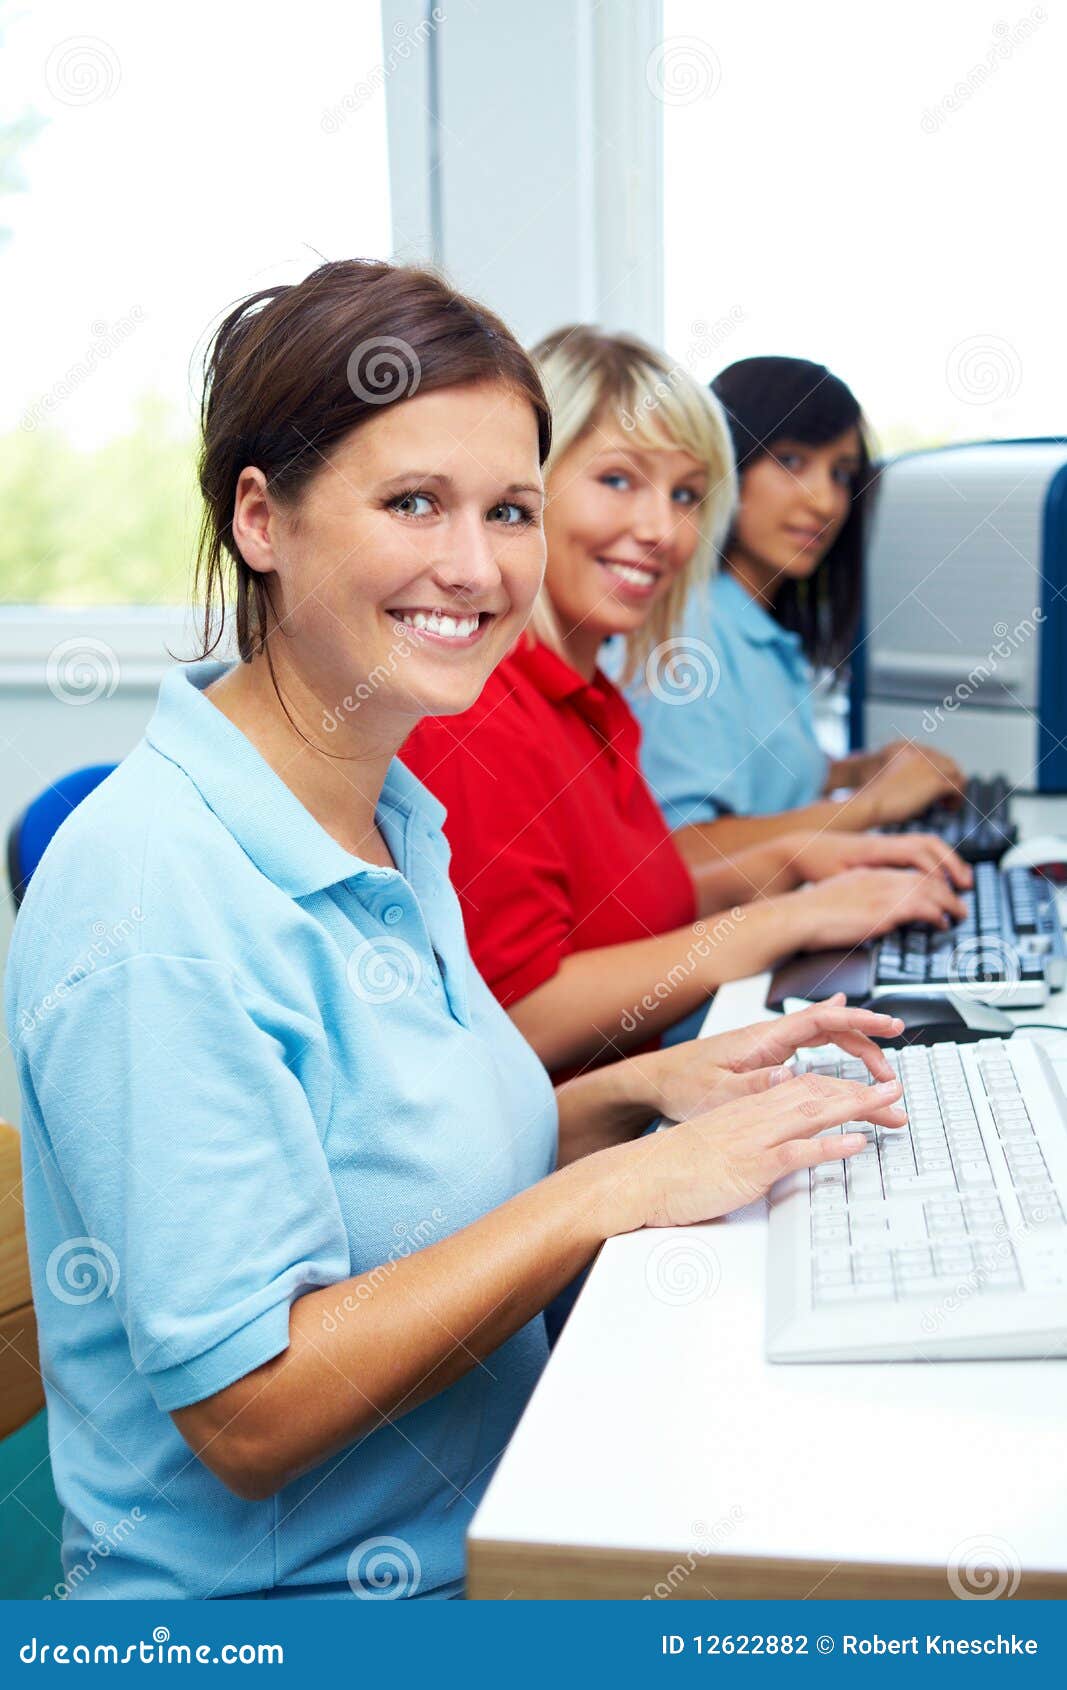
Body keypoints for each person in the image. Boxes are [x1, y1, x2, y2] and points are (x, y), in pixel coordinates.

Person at [4, 262, 910, 1600]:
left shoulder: (389, 812)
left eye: (508, 511)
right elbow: (251, 1410)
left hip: (494, 1520)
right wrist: (615, 1184)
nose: (475, 567)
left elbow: (409, 1175)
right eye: (412, 503)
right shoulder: (152, 892)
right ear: (262, 516)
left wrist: (645, 1092)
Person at [403, 327, 970, 1077]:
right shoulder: (478, 710)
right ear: (522, 486)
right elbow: (521, 1019)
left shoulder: (591, 699)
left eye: (684, 496)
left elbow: (625, 907)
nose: (660, 529)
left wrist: (794, 859)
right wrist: (787, 915)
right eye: (617, 480)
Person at [622, 354, 967, 855]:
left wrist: (854, 772)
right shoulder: (687, 637)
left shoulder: (750, 624)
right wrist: (872, 804)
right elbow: (681, 853)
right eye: (791, 461)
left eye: (841, 474)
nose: (825, 501)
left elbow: (753, 778)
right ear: (725, 462)